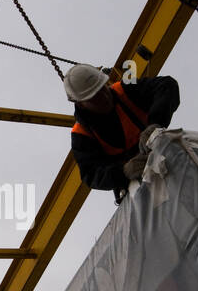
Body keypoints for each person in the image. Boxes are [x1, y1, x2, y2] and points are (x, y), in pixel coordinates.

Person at [64, 63, 180, 202]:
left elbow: (167, 85)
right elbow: (91, 174)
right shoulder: (82, 135)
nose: (104, 97)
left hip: (168, 162)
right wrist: (123, 172)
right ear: (80, 103)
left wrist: (155, 123)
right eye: (94, 97)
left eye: (102, 88)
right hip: (138, 190)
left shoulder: (125, 91)